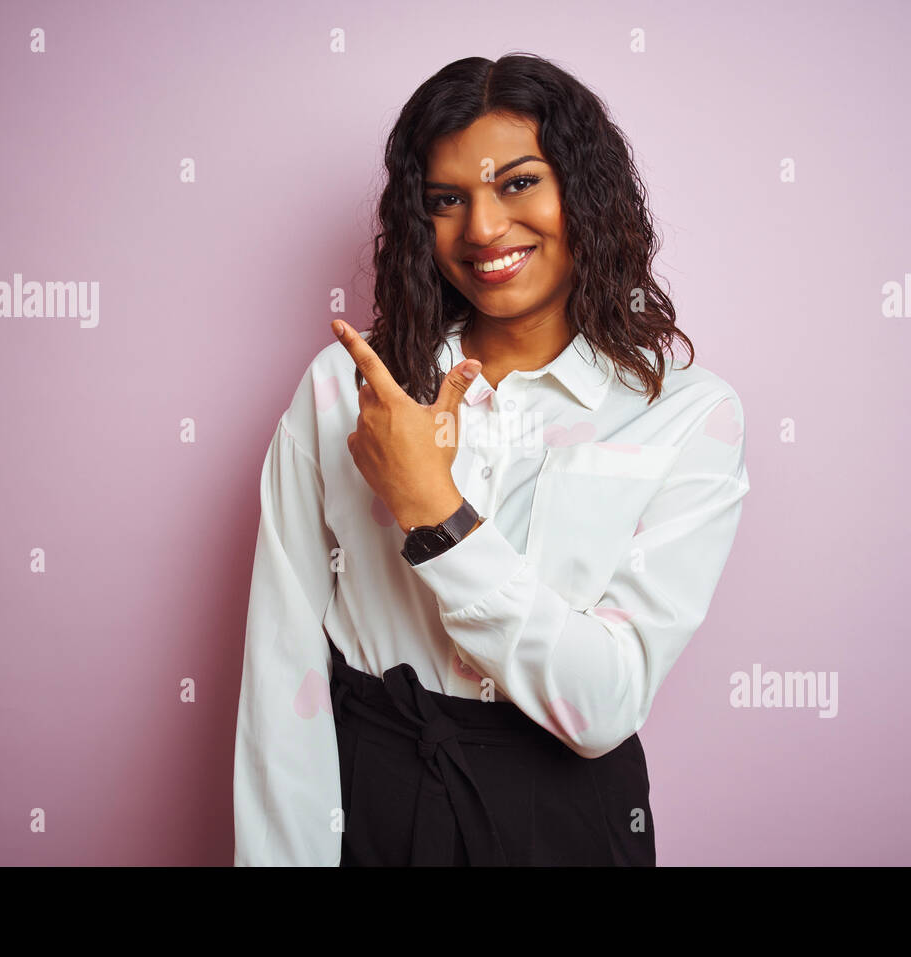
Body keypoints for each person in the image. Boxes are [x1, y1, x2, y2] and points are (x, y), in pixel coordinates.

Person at [233, 52, 749, 866]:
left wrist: (436, 516)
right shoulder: (347, 387)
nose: (481, 229)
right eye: (447, 200)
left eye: (517, 183)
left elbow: (604, 701)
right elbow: (281, 669)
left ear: (584, 191)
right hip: (376, 801)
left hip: (568, 817)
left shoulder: (689, 414)